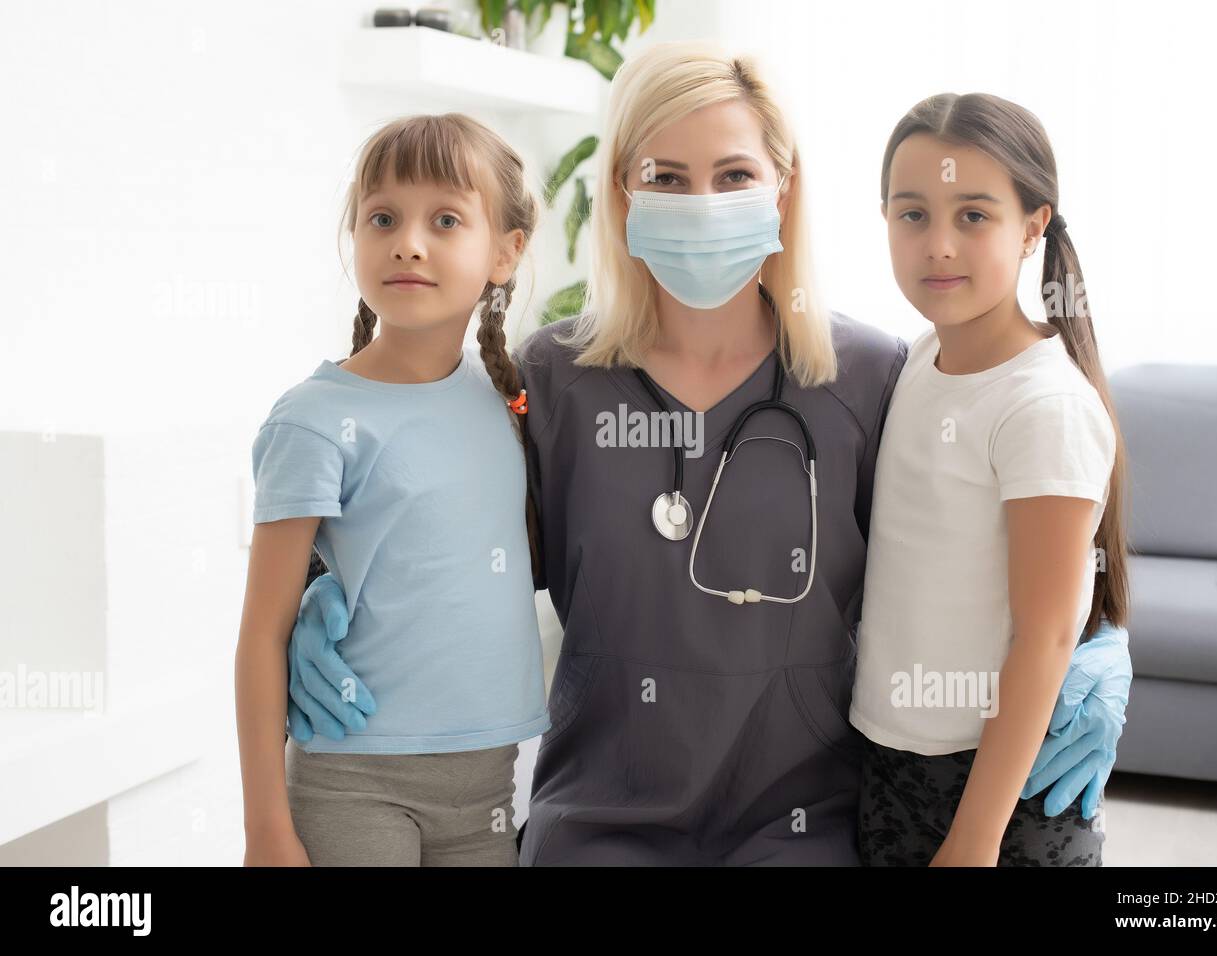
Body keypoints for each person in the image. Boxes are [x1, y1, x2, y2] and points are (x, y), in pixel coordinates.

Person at [288, 43, 1133, 866]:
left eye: (733, 176)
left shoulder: (868, 377)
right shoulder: (553, 376)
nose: (702, 202)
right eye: (666, 178)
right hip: (600, 811)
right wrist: (334, 590)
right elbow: (457, 529)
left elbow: (968, 540)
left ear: (782, 189)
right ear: (621, 194)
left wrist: (1101, 639)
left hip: (806, 815)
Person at [234, 114, 549, 866]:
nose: (408, 241)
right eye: (383, 218)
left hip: (490, 781)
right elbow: (260, 635)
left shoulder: (511, 404)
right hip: (353, 780)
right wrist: (264, 831)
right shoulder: (314, 419)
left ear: (506, 251)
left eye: (446, 219)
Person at [853, 93, 1128, 866]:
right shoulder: (912, 363)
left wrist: (974, 842)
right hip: (892, 760)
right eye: (912, 214)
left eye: (973, 215)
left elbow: (1043, 635)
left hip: (995, 794)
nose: (939, 244)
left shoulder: (1043, 404)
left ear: (1033, 227)